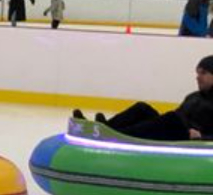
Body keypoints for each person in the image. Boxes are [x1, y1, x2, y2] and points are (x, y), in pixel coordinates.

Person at [75, 56, 213, 141]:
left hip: (186, 136)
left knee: (172, 119)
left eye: (203, 73)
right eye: (197, 73)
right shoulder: (193, 96)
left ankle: (115, 135)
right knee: (142, 108)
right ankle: (103, 128)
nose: (198, 77)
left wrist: (201, 136)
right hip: (173, 128)